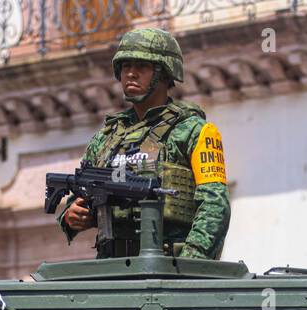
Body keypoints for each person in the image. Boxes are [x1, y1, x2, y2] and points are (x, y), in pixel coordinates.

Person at [58, 28, 230, 260]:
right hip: (110, 269)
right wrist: (73, 214)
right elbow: (79, 194)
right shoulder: (106, 137)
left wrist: (192, 263)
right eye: (126, 67)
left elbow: (214, 204)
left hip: (170, 265)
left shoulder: (194, 131)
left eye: (142, 67)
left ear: (164, 73)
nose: (131, 74)